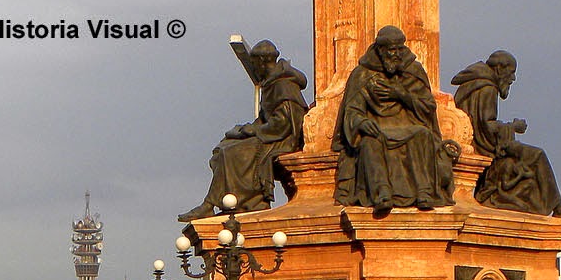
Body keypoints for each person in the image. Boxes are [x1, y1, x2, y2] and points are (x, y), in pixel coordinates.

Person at [179, 41, 308, 221]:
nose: (254, 68)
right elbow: (265, 118)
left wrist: (254, 131)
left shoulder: (283, 85)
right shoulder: (271, 83)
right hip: (270, 133)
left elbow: (283, 123)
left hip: (281, 139)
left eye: (255, 63)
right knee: (223, 147)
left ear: (263, 61)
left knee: (233, 153)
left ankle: (218, 204)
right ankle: (235, 201)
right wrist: (245, 129)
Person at [450, 50, 561, 222]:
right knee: (537, 155)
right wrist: (513, 127)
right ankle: (558, 207)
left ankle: (556, 206)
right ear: (499, 69)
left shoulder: (475, 83)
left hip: (480, 141)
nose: (512, 78)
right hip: (484, 146)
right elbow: (486, 125)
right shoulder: (487, 88)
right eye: (511, 72)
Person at [333, 25, 456, 211]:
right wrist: (362, 122)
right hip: (378, 128)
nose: (397, 54)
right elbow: (352, 111)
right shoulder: (363, 74)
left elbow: (428, 107)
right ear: (381, 50)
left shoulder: (412, 70)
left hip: (408, 126)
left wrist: (401, 94)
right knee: (369, 142)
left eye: (400, 49)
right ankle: (382, 193)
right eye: (392, 50)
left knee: (422, 134)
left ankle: (424, 192)